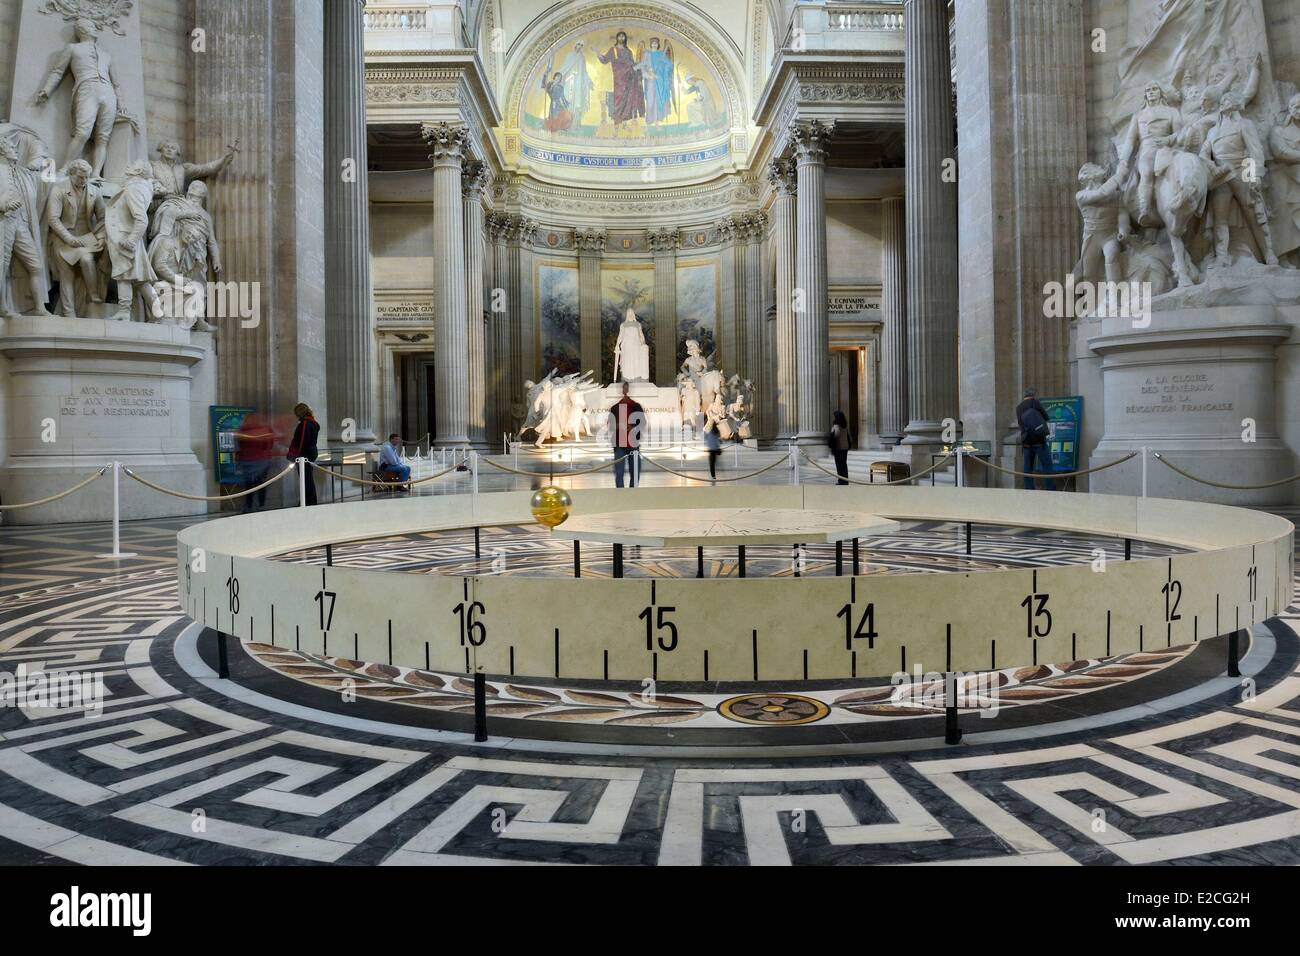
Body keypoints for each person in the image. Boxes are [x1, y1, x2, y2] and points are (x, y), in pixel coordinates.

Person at [1016, 388, 1055, 491]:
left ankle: (1029, 489)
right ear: (1034, 395)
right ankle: (1050, 489)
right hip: (1039, 441)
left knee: (1027, 467)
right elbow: (1046, 417)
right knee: (1047, 464)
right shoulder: (1035, 403)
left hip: (1026, 442)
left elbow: (1021, 424)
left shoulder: (1018, 407)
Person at [235, 413, 275, 512]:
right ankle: (260, 505)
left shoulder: (243, 430)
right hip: (260, 460)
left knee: (250, 485)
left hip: (249, 460)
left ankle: (249, 506)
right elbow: (269, 445)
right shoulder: (265, 430)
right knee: (260, 483)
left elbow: (239, 446)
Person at [608, 382, 645, 488]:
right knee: (619, 473)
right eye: (624, 388)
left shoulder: (636, 406)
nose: (625, 391)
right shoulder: (615, 408)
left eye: (627, 388)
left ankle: (633, 494)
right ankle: (620, 495)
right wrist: (617, 425)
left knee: (635, 472)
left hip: (633, 442)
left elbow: (642, 423)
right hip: (619, 442)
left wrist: (632, 427)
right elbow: (611, 426)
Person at [287, 402, 321, 506]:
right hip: (310, 453)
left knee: (306, 479)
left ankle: (308, 502)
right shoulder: (312, 422)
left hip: (304, 455)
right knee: (307, 478)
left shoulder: (305, 423)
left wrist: (295, 455)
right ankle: (308, 501)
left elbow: (302, 441)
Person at [829, 410, 852, 485]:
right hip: (845, 448)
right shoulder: (845, 426)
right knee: (844, 465)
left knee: (839, 466)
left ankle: (841, 481)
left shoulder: (836, 426)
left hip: (838, 448)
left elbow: (836, 435)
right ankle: (845, 481)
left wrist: (832, 432)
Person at [703, 411, 721, 480]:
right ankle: (713, 475)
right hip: (715, 449)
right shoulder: (717, 432)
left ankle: (713, 475)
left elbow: (706, 437)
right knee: (714, 462)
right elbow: (718, 440)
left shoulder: (710, 432)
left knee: (712, 464)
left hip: (711, 449)